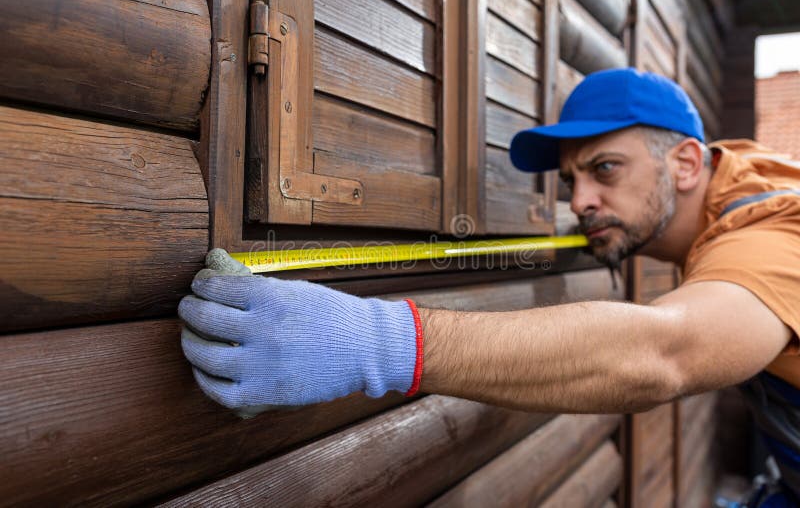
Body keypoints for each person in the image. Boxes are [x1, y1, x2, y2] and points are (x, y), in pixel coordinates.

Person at [178, 68, 800, 502]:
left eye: (605, 169)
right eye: (570, 180)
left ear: (687, 163)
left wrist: (384, 340)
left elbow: (668, 352)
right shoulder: (732, 192)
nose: (580, 203)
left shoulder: (773, 232)